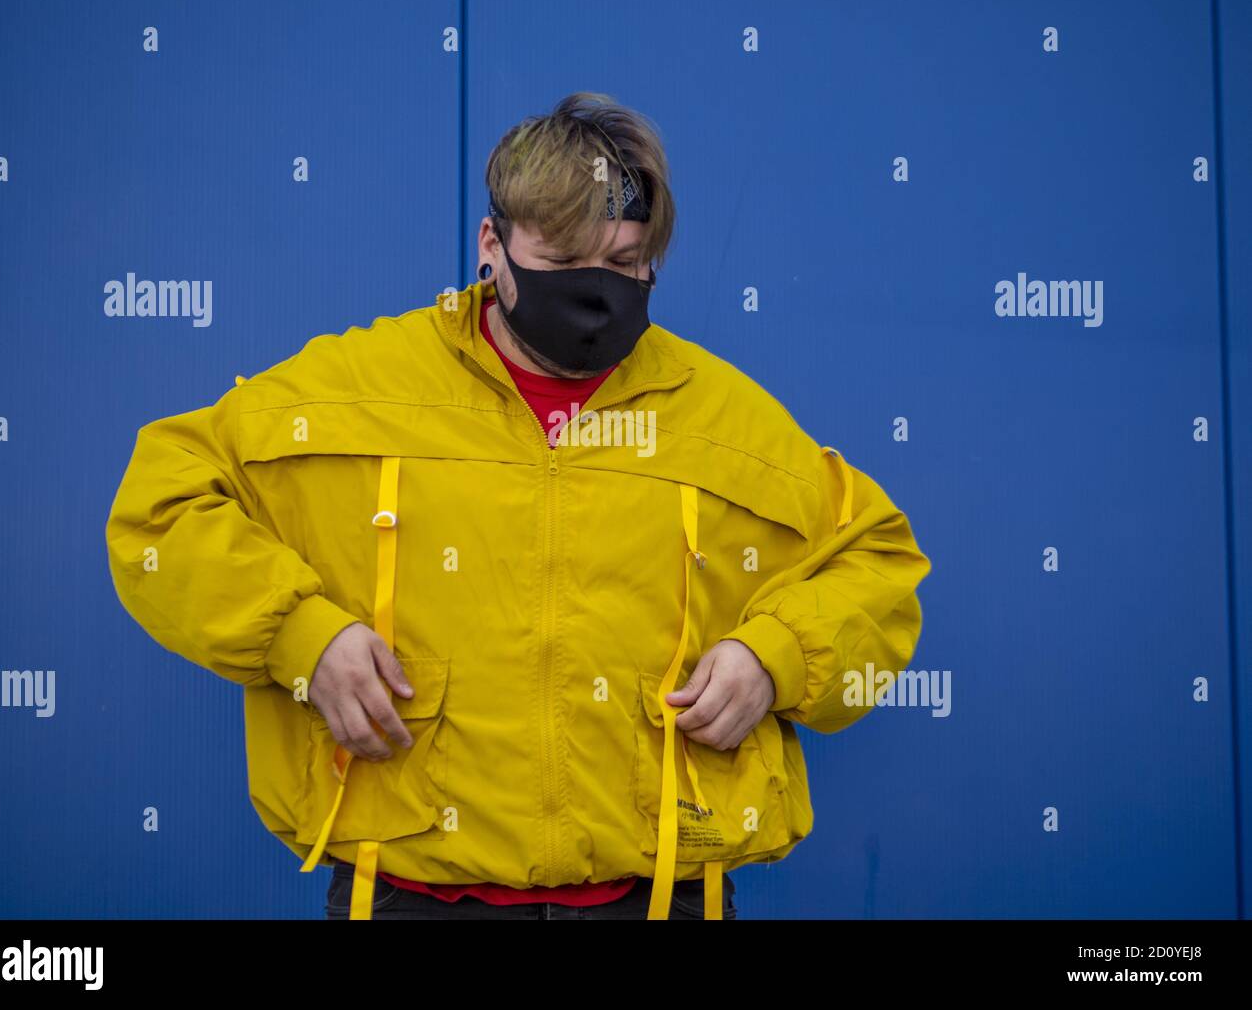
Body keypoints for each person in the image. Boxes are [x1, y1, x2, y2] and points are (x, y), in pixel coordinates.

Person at [105, 91, 932, 921]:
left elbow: (879, 564)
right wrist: (301, 636)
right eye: (565, 258)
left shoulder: (724, 417)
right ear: (491, 245)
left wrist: (774, 656)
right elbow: (162, 503)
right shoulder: (363, 387)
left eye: (625, 260)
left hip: (656, 900)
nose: (596, 289)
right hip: (408, 897)